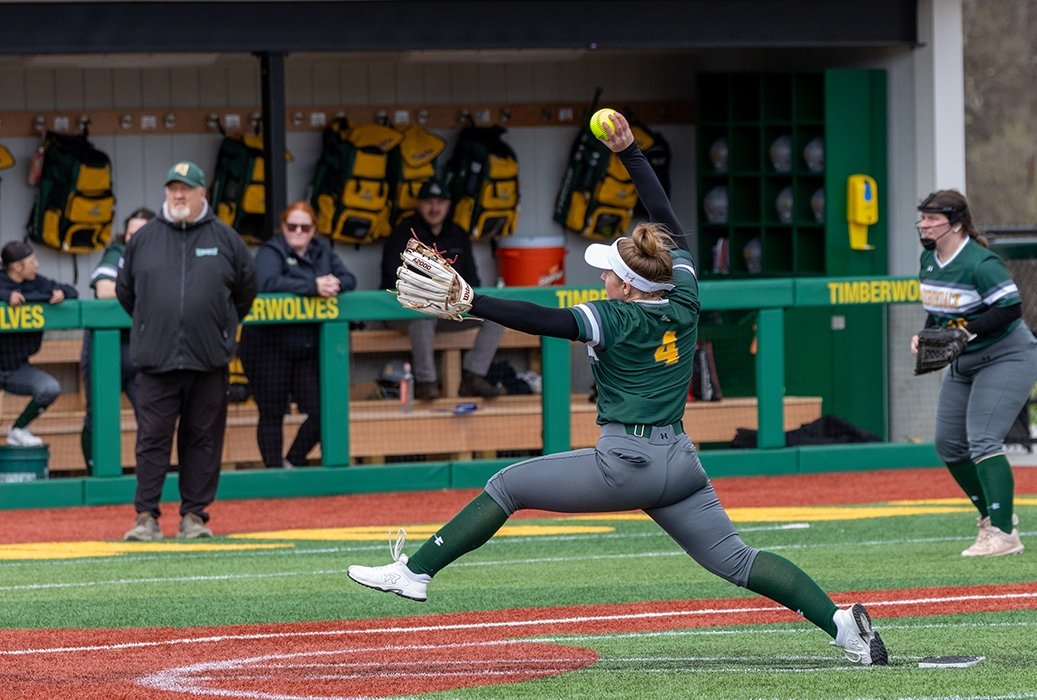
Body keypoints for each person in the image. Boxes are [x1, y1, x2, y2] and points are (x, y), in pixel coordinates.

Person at [348, 112, 889, 666]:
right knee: (736, 559)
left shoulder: (619, 316)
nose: (603, 276)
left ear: (629, 285)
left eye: (609, 272)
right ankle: (843, 625)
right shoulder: (682, 297)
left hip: (626, 461)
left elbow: (541, 320)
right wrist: (630, 152)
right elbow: (667, 221)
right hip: (678, 459)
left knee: (507, 485)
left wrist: (472, 301)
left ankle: (414, 574)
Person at [116, 161, 257, 541]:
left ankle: (194, 516)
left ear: (202, 193)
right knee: (151, 440)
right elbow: (126, 292)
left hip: (208, 360)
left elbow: (246, 290)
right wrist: (154, 324)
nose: (179, 194)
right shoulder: (143, 239)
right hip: (157, 361)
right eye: (173, 188)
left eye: (187, 188)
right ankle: (146, 516)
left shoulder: (226, 239)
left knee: (203, 440)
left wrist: (217, 327)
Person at [912, 189, 1037, 557]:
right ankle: (991, 519)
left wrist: (965, 331)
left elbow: (1011, 309)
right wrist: (926, 334)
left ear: (956, 223)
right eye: (923, 218)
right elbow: (937, 310)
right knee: (949, 443)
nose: (924, 224)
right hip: (966, 361)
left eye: (933, 219)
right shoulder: (928, 260)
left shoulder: (981, 263)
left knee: (983, 440)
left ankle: (1004, 534)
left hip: (1007, 356)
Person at [238, 201, 357, 468]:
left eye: (305, 227)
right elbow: (266, 282)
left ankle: (292, 462)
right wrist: (312, 286)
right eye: (292, 226)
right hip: (267, 346)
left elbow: (350, 279)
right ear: (283, 227)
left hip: (306, 348)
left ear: (314, 229)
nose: (299, 231)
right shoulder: (271, 250)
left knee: (321, 411)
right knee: (271, 412)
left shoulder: (321, 251)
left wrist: (334, 283)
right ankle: (273, 472)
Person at [379, 179, 504, 400]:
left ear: (448, 205)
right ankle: (426, 382)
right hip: (404, 311)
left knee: (495, 314)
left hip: (446, 310)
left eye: (440, 202)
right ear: (419, 204)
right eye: (429, 202)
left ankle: (473, 377)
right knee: (423, 315)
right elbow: (397, 279)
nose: (435, 208)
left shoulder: (458, 233)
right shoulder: (403, 233)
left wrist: (457, 291)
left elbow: (472, 280)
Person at [80, 207, 155, 471]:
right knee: (97, 417)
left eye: (141, 233)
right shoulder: (117, 252)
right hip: (105, 349)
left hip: (141, 349)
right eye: (131, 232)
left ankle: (148, 474)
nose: (133, 238)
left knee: (150, 416)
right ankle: (94, 471)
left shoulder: (163, 255)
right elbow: (104, 291)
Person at [0, 241, 78, 447]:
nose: (37, 265)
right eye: (32, 261)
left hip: (17, 367)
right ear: (17, 267)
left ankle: (18, 429)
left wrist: (62, 293)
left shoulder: (36, 282)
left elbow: (71, 290)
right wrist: (6, 296)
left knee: (49, 388)